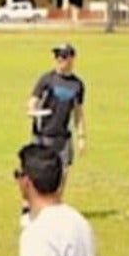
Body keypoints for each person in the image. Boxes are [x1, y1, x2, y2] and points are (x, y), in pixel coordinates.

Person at [26, 44, 86, 199]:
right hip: (43, 135)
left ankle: (56, 203)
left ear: (72, 59)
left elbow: (78, 112)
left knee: (63, 172)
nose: (59, 59)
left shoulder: (77, 85)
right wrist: (33, 111)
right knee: (38, 173)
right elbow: (32, 101)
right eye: (57, 56)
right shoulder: (46, 80)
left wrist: (81, 137)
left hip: (62, 137)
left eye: (64, 56)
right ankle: (30, 206)